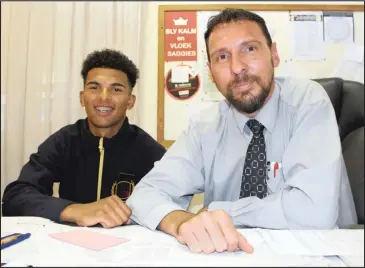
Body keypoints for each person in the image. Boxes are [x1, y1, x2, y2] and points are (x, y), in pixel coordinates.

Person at [126, 9, 357, 254]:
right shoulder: (205, 127)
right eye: (222, 57)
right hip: (233, 255)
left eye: (250, 49)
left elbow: (313, 211)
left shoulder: (308, 103)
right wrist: (181, 221)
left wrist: (223, 212)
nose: (237, 67)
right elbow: (145, 194)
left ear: (274, 55)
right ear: (211, 73)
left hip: (322, 255)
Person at [2, 49, 166, 228]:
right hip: (69, 247)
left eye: (116, 89)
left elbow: (171, 203)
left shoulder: (149, 152)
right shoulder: (64, 141)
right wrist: (74, 210)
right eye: (94, 88)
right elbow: (16, 196)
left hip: (127, 250)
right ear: (82, 98)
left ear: (130, 101)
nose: (104, 97)